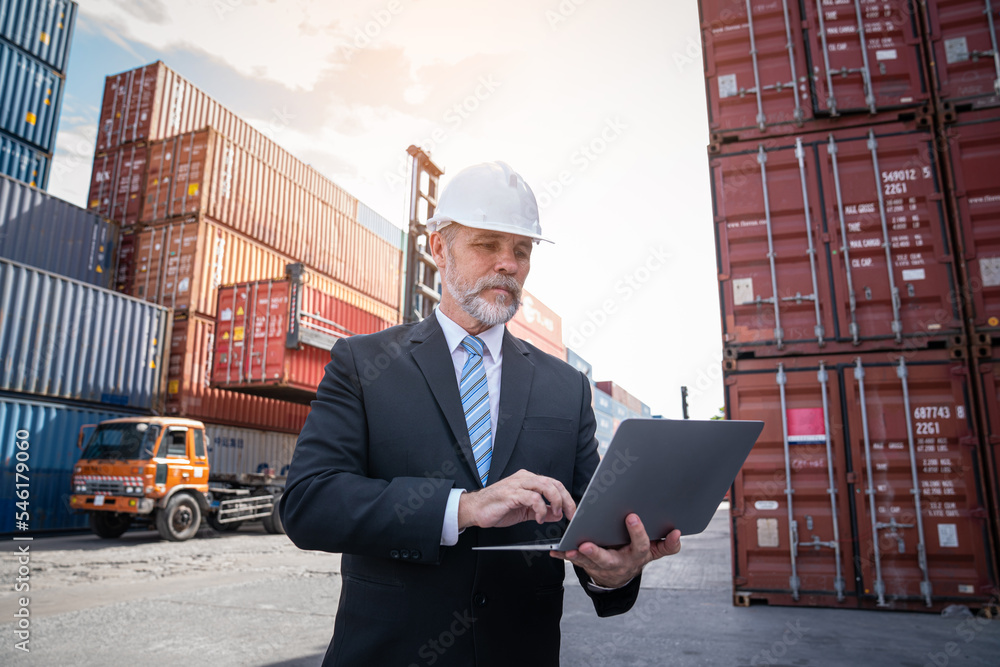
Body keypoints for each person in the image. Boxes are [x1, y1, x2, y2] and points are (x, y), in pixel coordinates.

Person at [280, 161, 681, 666]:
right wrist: (462, 508)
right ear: (440, 248)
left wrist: (612, 571)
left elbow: (587, 526)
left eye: (521, 250)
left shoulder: (568, 389)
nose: (509, 264)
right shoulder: (363, 364)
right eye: (487, 244)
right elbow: (308, 504)